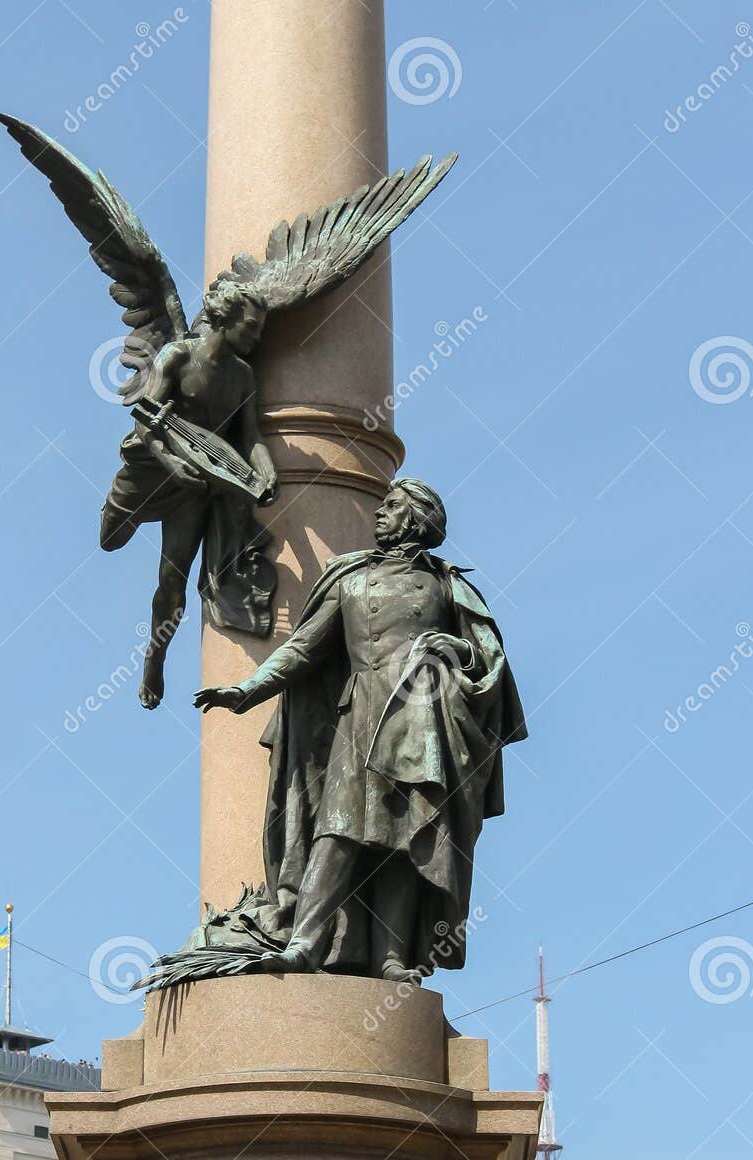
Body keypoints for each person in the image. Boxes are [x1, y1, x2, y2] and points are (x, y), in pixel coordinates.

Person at [195, 478, 527, 983]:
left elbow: (489, 660)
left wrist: (452, 649)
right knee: (339, 831)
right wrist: (248, 689)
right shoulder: (349, 578)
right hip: (359, 716)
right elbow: (305, 649)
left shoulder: (445, 584)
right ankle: (305, 942)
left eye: (392, 507)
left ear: (415, 519)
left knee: (404, 836)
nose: (380, 514)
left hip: (421, 721)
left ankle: (391, 958)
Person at [101, 278, 278, 709]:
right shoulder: (178, 355)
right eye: (251, 327)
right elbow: (145, 417)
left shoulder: (243, 376)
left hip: (199, 482)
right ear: (225, 319)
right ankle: (120, 506)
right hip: (154, 463)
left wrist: (266, 473)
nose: (257, 337)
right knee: (109, 538)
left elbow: (251, 435)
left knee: (172, 578)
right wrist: (168, 460)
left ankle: (155, 654)